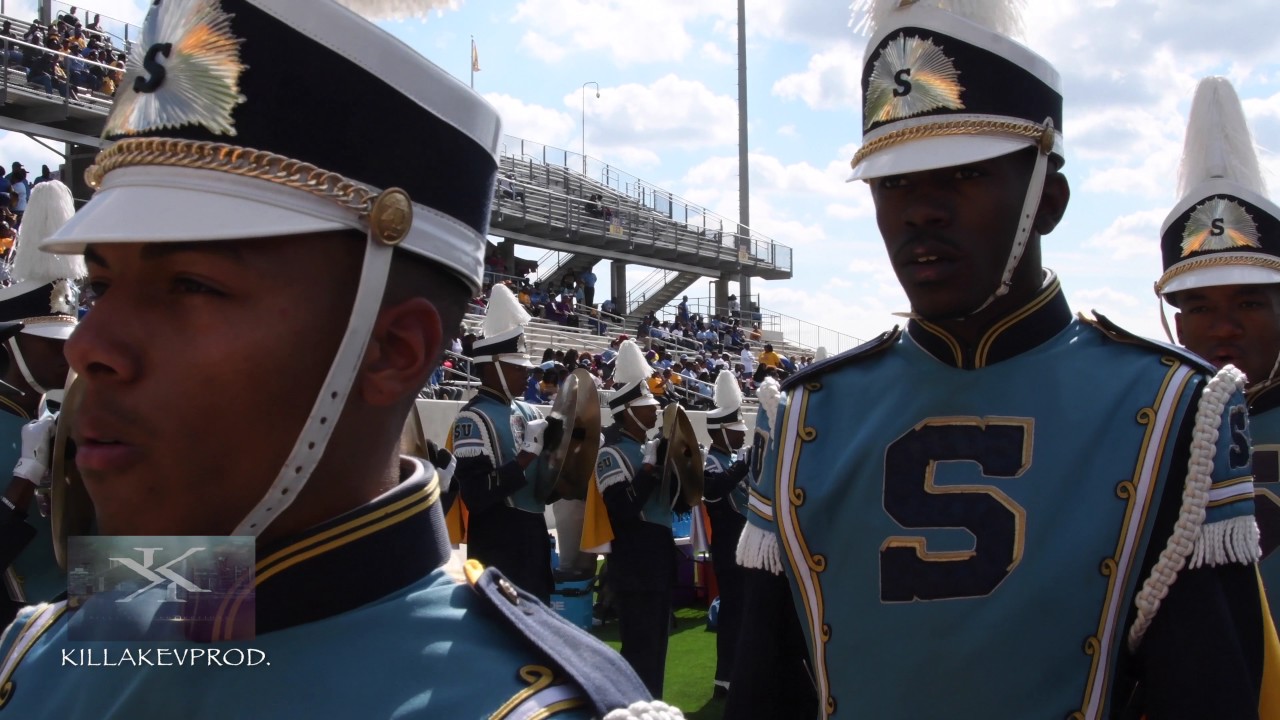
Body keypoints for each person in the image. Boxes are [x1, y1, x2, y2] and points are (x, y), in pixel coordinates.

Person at [0, 2, 678, 718]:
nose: (86, 344)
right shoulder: (44, 655)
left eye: (190, 285)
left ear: (392, 351)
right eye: (101, 285)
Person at [734, 2, 1270, 718]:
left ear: (1049, 200)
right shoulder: (801, 417)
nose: (920, 209)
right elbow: (765, 693)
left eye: (962, 175)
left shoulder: (1177, 409)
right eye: (891, 184)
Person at [1154, 76, 1280, 628]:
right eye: (1201, 308)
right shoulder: (1148, 430)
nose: (1224, 328)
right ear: (1176, 323)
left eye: (1249, 304)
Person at [0, 180, 83, 626]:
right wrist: (24, 479)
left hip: (70, 617)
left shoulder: (73, 420)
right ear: (12, 346)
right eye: (52, 347)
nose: (68, 356)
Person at [447, 284, 556, 602]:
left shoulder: (530, 410)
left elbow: (544, 489)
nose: (528, 376)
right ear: (493, 366)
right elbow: (476, 495)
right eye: (518, 368)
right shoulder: (473, 418)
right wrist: (524, 458)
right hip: (500, 552)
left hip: (533, 546)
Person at [596, 340, 677, 698]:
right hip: (634, 563)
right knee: (639, 649)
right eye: (646, 407)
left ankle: (653, 704)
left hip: (657, 558)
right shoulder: (610, 454)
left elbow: (675, 505)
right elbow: (623, 510)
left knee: (658, 647)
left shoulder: (650, 449)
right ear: (627, 411)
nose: (655, 412)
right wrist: (647, 468)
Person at [700, 369, 751, 699]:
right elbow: (714, 490)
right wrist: (744, 465)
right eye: (736, 430)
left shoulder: (730, 459)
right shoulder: (711, 461)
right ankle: (725, 679)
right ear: (720, 432)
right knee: (733, 615)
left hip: (743, 549)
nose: (741, 436)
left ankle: (739, 674)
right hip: (728, 550)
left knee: (744, 614)